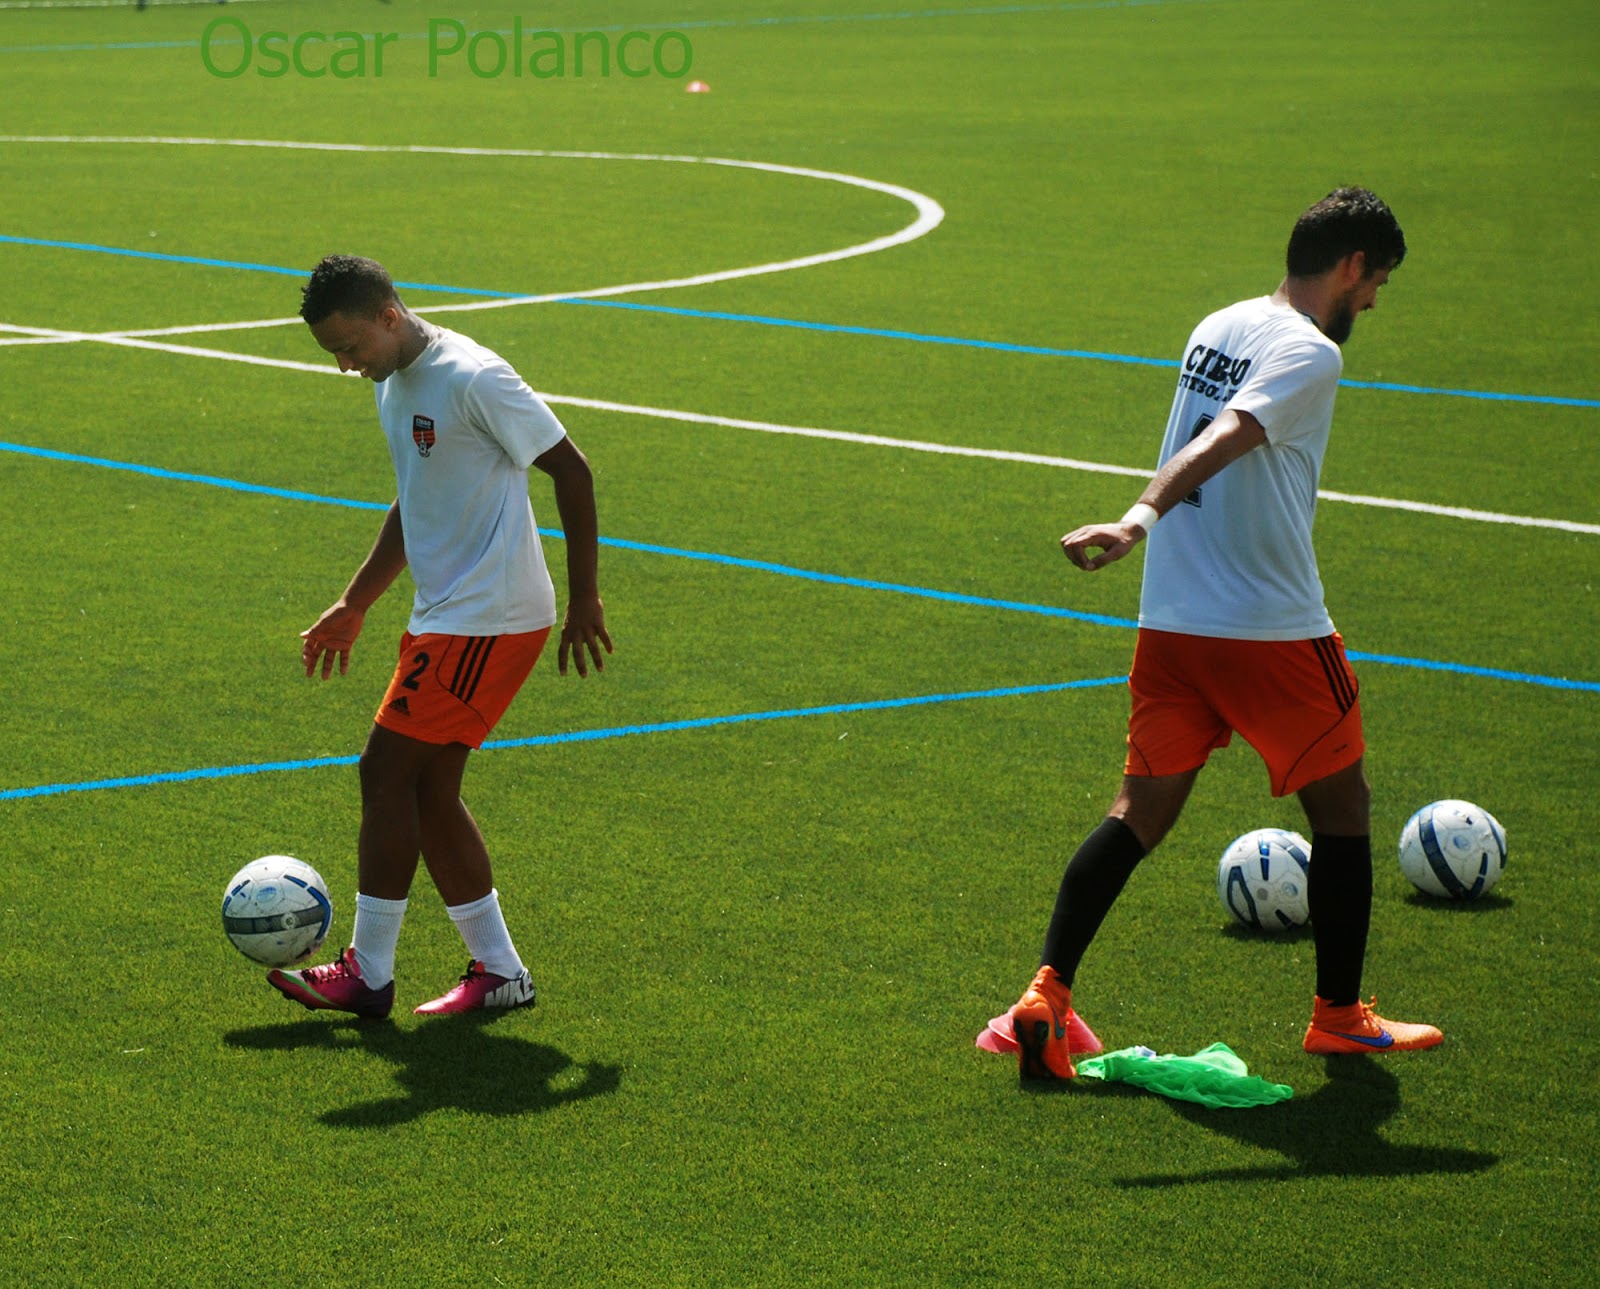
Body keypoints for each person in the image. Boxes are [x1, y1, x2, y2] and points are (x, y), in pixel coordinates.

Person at [1005, 187, 1442, 1079]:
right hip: (1268, 627)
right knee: (1344, 807)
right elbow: (1229, 435)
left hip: (1172, 621)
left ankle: (1045, 993)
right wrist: (1136, 515)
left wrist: (1147, 531)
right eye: (1377, 282)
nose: (1372, 303)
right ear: (1352, 264)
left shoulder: (1220, 322)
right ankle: (1339, 1015)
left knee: (1141, 810)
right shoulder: (1310, 352)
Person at [268, 254, 612, 1019]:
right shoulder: (395, 382)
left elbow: (573, 471)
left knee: (383, 771)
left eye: (352, 347)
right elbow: (413, 499)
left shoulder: (474, 377)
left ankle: (370, 971)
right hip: (446, 616)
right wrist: (356, 602)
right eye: (334, 354)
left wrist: (587, 597)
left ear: (389, 316)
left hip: (490, 615)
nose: (347, 366)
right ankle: (501, 971)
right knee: (425, 790)